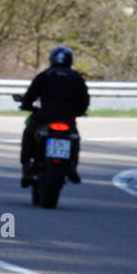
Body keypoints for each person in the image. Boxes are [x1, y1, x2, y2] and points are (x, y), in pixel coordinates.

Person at [18, 46, 89, 186]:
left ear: (52, 59)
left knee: (29, 134)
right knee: (74, 138)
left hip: (45, 117)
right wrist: (80, 111)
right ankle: (73, 167)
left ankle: (26, 167)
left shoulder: (45, 75)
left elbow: (30, 95)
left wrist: (26, 105)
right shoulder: (76, 77)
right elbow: (85, 99)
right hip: (67, 118)